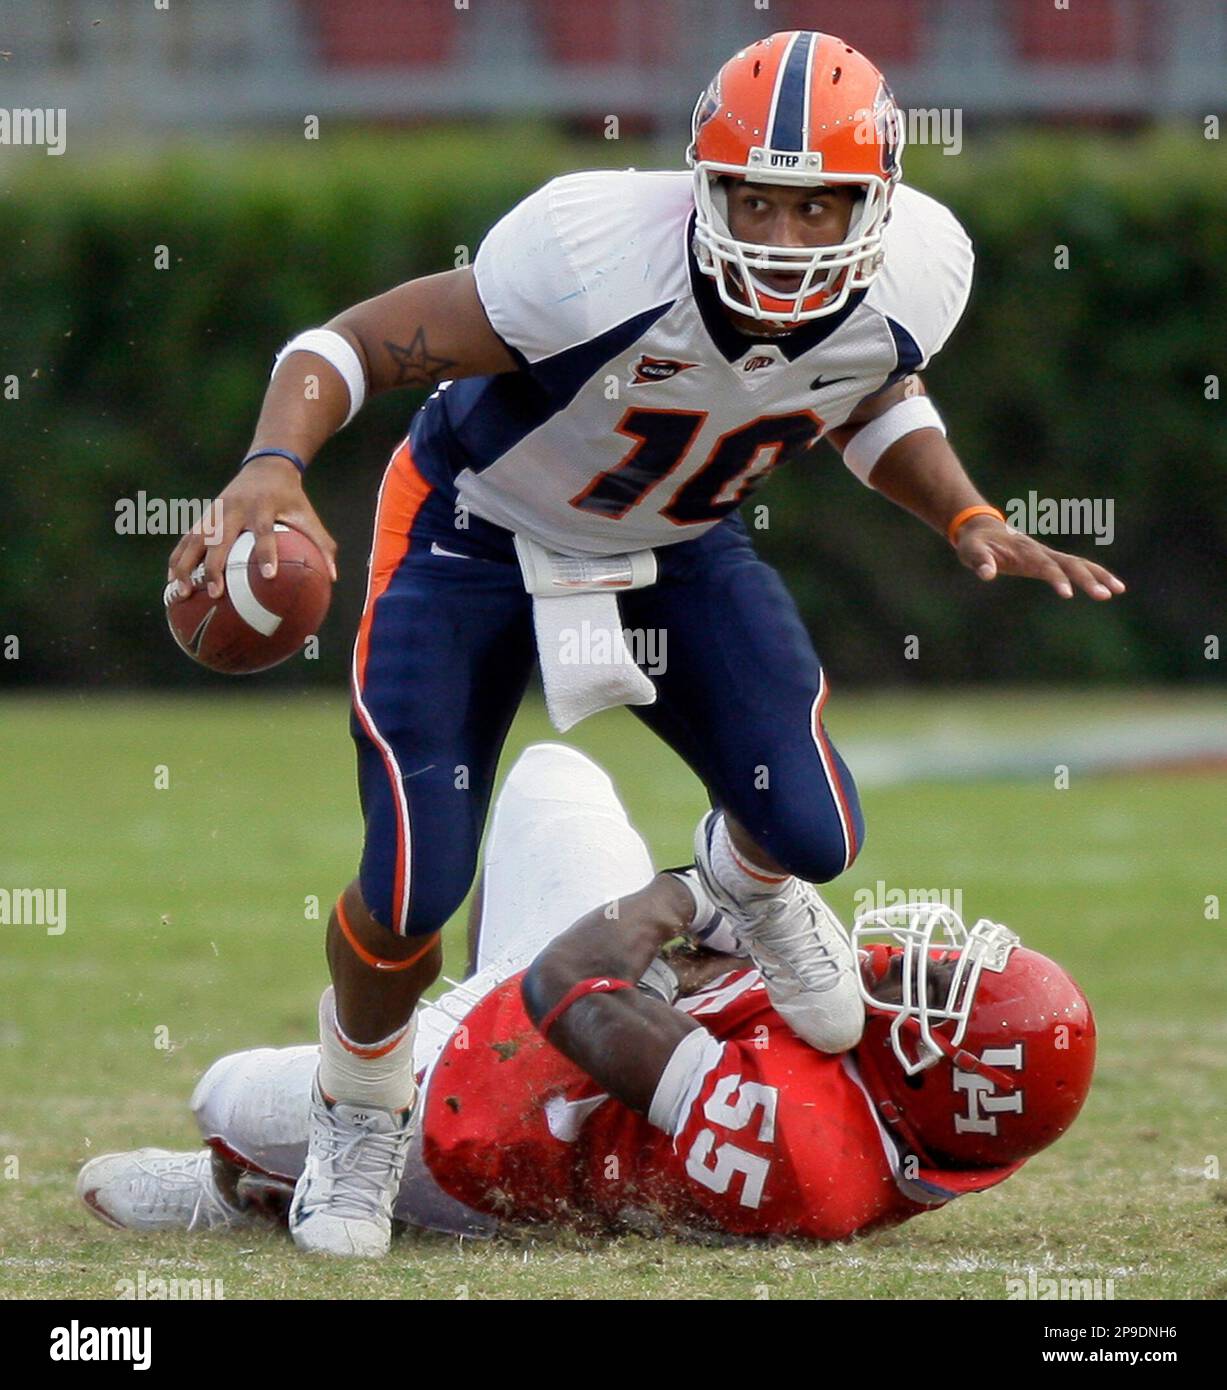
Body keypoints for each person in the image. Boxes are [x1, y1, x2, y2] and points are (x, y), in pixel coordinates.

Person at [166, 30, 1122, 1256]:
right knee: (415, 880)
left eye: (816, 208)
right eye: (756, 203)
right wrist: (270, 463)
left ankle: (738, 891)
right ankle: (359, 1110)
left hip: (674, 543)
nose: (781, 238)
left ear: (876, 209)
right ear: (700, 184)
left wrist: (965, 508)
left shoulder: (922, 273)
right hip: (475, 532)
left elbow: (868, 386)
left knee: (814, 826)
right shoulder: (585, 254)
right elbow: (345, 344)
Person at [79, 746, 1095, 1247]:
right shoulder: (929, 1105)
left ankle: (238, 1186)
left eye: (935, 989)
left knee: (225, 1094)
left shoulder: (809, 1148)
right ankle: (446, 1012)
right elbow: (651, 982)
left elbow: (572, 982)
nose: (909, 962)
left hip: (496, 1124)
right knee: (552, 770)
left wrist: (696, 890)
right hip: (567, 1026)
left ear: (940, 1075)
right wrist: (701, 953)